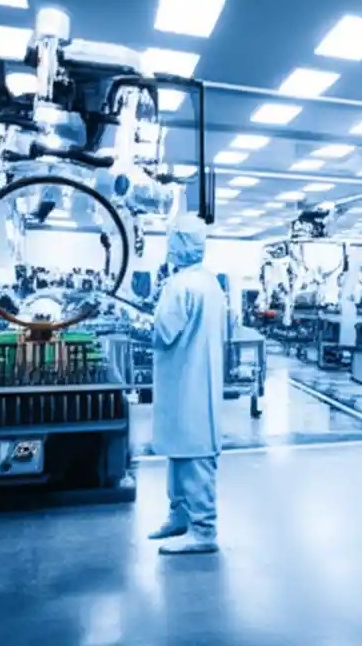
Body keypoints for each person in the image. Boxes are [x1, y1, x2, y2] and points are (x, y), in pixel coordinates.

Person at [148, 213, 227, 553]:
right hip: (197, 379)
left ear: (178, 243)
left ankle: (203, 530)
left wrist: (138, 321)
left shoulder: (179, 286)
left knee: (193, 452)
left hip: (185, 382)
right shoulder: (211, 283)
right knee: (180, 451)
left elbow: (162, 335)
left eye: (171, 238)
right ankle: (179, 516)